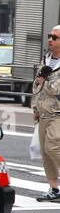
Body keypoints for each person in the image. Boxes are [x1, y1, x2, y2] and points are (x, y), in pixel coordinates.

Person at [32, 26, 60, 201]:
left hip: (57, 113)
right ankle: (54, 189)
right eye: (49, 36)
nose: (50, 39)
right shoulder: (46, 60)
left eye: (54, 37)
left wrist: (45, 80)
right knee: (45, 153)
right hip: (43, 113)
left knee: (53, 146)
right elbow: (35, 85)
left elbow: (55, 89)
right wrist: (35, 107)